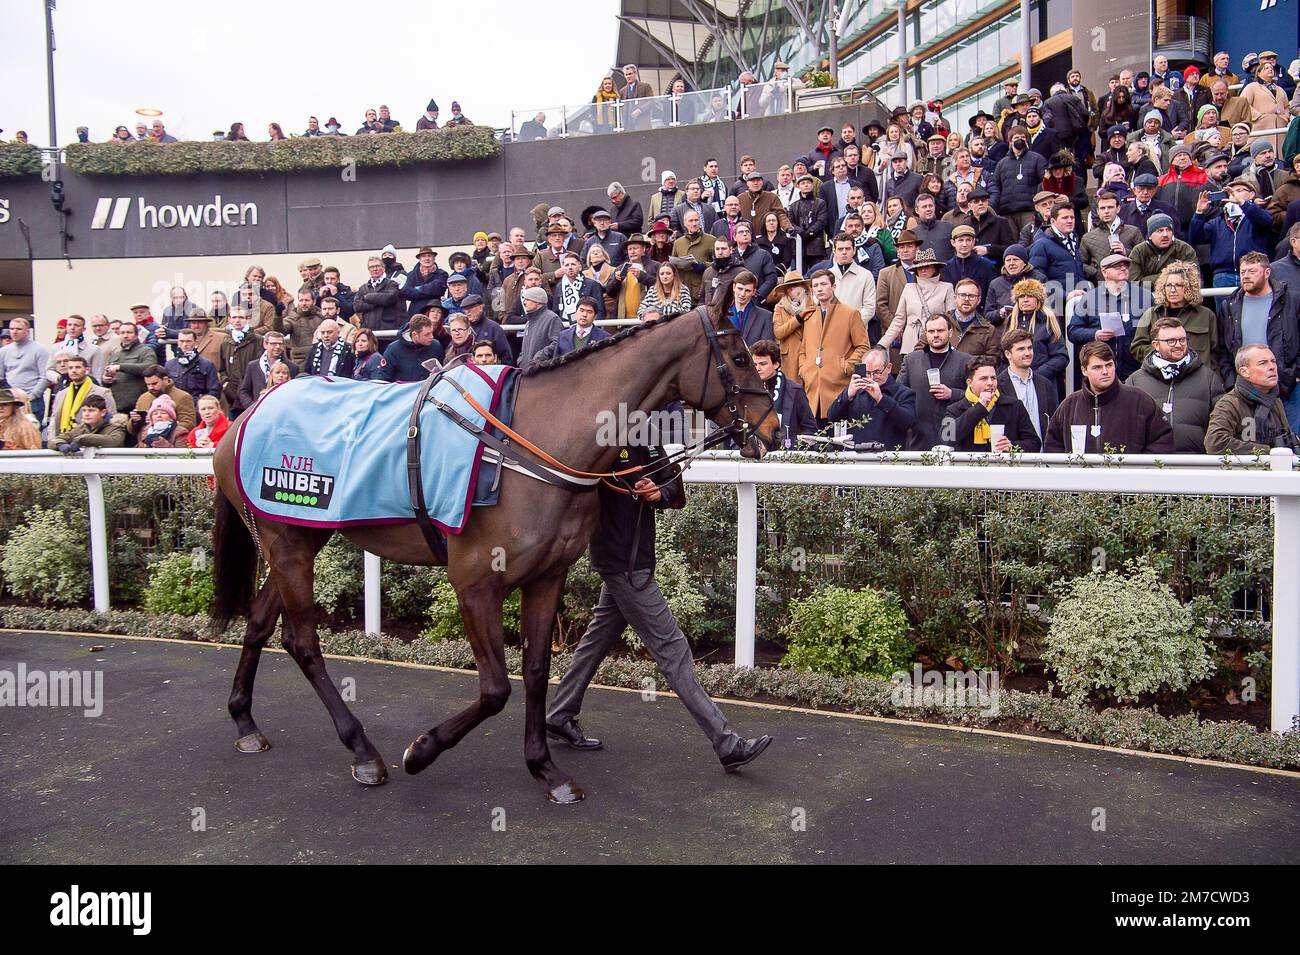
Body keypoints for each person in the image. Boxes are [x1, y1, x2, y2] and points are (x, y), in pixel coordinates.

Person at [545, 424, 771, 772]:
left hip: (635, 562)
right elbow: (585, 490)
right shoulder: (598, 440)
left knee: (596, 641)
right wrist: (633, 488)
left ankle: (560, 714)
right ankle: (726, 744)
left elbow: (676, 491)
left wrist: (657, 493)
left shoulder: (646, 439)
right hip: (623, 565)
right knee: (673, 649)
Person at [1043, 341, 1174, 453]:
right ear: (1084, 370)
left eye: (1109, 365)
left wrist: (1138, 472)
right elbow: (1053, 446)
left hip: (1128, 480)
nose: (1105, 371)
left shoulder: (1140, 400)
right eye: (1097, 367)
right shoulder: (1069, 405)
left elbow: (1162, 441)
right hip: (1081, 481)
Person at [1217, 253, 1300, 427]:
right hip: (1246, 390)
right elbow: (1224, 349)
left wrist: (1296, 373)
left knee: (1292, 445)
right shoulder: (1229, 305)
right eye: (1243, 272)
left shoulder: (1291, 300)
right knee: (1255, 447)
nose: (1245, 276)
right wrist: (1231, 380)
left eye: (1252, 271)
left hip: (1288, 385)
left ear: (1267, 272)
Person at [1125, 316, 1224, 453]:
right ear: (1155, 345)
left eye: (1182, 339)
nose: (1178, 345)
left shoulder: (1209, 378)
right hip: (1149, 464)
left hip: (1196, 462)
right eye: (1171, 341)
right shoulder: (1135, 381)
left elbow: (1221, 423)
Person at [797, 269, 870, 422]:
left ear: (834, 287)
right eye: (815, 285)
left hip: (838, 387)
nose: (819, 288)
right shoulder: (809, 315)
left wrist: (845, 366)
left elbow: (863, 347)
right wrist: (804, 369)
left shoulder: (850, 313)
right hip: (812, 387)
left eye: (823, 284)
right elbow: (803, 348)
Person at [1068, 253, 1153, 381]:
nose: (1123, 268)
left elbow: (1157, 330)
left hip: (1137, 370)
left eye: (1125, 265)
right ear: (1104, 272)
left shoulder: (1145, 297)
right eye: (1117, 266)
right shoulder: (1090, 298)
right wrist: (1095, 334)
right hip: (1102, 372)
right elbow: (1073, 331)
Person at [898, 313, 972, 451]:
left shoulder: (966, 361)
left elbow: (976, 396)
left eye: (940, 330)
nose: (936, 334)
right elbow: (900, 393)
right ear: (925, 334)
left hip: (953, 434)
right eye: (931, 331)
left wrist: (953, 394)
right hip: (918, 435)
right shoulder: (911, 360)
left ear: (950, 333)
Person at [1205, 344, 1300, 454]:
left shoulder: (1275, 401)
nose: (1272, 367)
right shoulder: (1229, 404)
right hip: (1242, 470)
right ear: (1244, 372)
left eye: (1273, 361)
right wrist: (1269, 452)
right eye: (1263, 363)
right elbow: (1215, 443)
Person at [943, 355, 1041, 452]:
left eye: (993, 378)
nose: (990, 383)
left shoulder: (1014, 405)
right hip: (970, 466)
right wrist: (979, 408)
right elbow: (946, 438)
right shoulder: (955, 409)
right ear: (970, 382)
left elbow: (1035, 443)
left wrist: (1012, 446)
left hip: (1004, 466)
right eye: (984, 378)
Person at [826, 346, 916, 448]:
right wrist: (847, 396)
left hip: (888, 458)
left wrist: (881, 399)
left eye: (877, 372)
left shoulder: (903, 393)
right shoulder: (856, 391)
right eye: (867, 373)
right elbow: (831, 417)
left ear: (889, 368)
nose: (872, 377)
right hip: (856, 457)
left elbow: (907, 422)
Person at [1131, 262, 1217, 367]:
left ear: (1189, 287)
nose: (1172, 290)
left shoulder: (1206, 315)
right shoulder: (1151, 314)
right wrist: (1163, 352)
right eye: (1168, 285)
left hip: (1197, 376)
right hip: (1160, 376)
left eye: (1178, 285)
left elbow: (1216, 352)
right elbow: (1137, 347)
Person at [879, 248, 955, 358]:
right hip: (910, 343)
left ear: (935, 268)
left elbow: (951, 320)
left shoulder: (947, 288)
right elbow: (899, 320)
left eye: (927, 266)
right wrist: (882, 344)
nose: (923, 270)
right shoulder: (909, 288)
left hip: (936, 340)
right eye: (919, 267)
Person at [1006, 278, 1069, 397]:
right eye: (1021, 296)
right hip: (1015, 386)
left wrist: (1037, 376)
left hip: (1044, 385)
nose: (1025, 299)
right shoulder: (1010, 323)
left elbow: (1061, 357)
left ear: (1038, 299)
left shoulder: (1048, 322)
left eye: (1030, 295)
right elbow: (1003, 356)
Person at [998, 327, 1058, 442]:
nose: (1027, 353)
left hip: (1043, 455)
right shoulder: (998, 386)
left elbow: (1053, 423)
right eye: (1021, 349)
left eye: (1030, 348)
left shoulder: (1045, 384)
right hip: (1011, 455)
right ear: (1008, 354)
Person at [749, 339, 814, 444]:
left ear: (776, 364)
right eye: (755, 364)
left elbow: (810, 428)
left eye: (763, 364)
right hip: (755, 454)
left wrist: (794, 447)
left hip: (786, 455)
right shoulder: (748, 391)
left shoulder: (794, 391)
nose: (758, 368)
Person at [989, 126, 1048, 233]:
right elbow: (995, 185)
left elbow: (1044, 182)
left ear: (1027, 140)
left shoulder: (1037, 158)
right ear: (1010, 141)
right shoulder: (1002, 163)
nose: (1019, 140)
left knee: (1030, 240)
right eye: (1016, 137)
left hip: (1029, 210)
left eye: (1022, 137)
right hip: (1007, 211)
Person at [46, 354, 115, 440]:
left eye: (78, 367)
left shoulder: (103, 392)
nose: (74, 371)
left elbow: (112, 421)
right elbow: (54, 420)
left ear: (87, 370)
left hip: (91, 442)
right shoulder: (61, 394)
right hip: (63, 441)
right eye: (70, 368)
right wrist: (53, 441)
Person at [0, 317, 50, 422]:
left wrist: (31, 396)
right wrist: (9, 394)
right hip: (9, 400)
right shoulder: (3, 351)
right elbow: (1, 376)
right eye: (12, 328)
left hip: (33, 400)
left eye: (18, 329)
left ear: (27, 331)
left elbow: (45, 377)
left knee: (32, 434)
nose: (14, 331)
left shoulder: (40, 350)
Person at [1128, 213, 1197, 287]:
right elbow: (1134, 284)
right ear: (1150, 235)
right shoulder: (1139, 251)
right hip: (1145, 297)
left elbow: (1193, 280)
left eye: (1168, 230)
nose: (1165, 235)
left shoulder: (1185, 249)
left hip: (1177, 296)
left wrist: (1147, 280)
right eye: (1160, 231)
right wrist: (1167, 276)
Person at [530, 299, 610, 362]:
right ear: (576, 312)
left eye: (589, 312)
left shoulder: (604, 337)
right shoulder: (563, 336)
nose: (584, 315)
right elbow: (556, 361)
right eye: (581, 310)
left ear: (595, 316)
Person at [237, 335, 297, 410]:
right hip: (255, 412)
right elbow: (244, 391)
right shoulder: (253, 366)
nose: (278, 347)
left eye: (280, 344)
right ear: (265, 344)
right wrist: (252, 407)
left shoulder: (292, 367)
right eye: (273, 343)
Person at [47, 394, 125, 451]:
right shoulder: (81, 428)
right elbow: (54, 440)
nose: (86, 414)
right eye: (84, 410)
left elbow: (115, 441)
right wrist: (60, 444)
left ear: (103, 412)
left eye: (91, 411)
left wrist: (83, 439)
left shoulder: (115, 426)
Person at [164, 329, 220, 401]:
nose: (185, 345)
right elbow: (165, 389)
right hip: (176, 405)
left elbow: (214, 391)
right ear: (178, 342)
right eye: (182, 341)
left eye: (188, 341)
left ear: (196, 342)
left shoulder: (207, 365)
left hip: (198, 406)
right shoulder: (169, 365)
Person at [353, 255, 405, 331]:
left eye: (377, 266)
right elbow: (356, 306)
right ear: (368, 270)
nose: (375, 269)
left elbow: (388, 299)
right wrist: (379, 303)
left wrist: (367, 297)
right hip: (368, 332)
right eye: (371, 267)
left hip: (387, 331)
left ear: (383, 268)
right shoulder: (363, 288)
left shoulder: (392, 284)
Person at [949, 279, 998, 357]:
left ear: (978, 300)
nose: (966, 299)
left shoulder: (988, 330)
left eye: (971, 296)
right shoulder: (941, 323)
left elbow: (993, 359)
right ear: (955, 298)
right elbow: (923, 350)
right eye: (963, 295)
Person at [726, 271, 773, 347]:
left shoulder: (765, 316)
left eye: (747, 291)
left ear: (754, 292)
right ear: (733, 287)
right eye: (740, 289)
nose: (742, 294)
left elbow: (767, 349)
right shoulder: (721, 314)